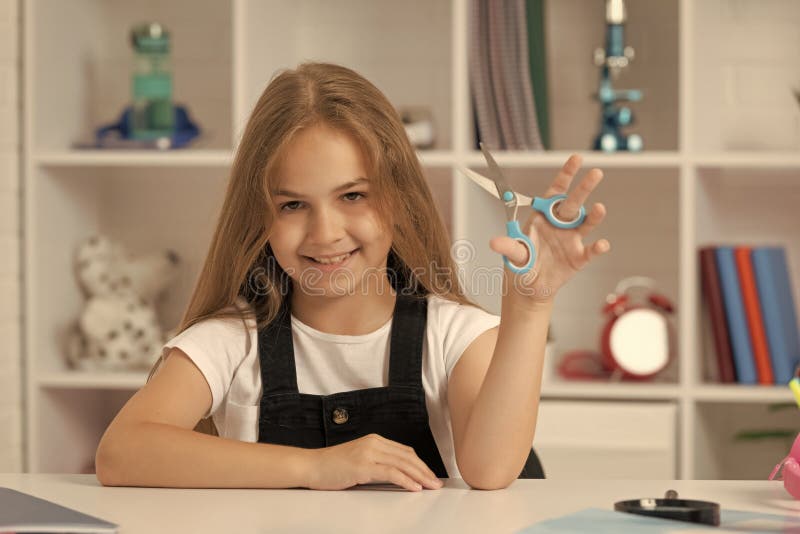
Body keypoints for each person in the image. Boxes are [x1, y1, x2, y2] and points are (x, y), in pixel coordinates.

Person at [95, 62, 610, 492]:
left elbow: (491, 471)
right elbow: (121, 454)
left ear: (398, 200)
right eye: (293, 204)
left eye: (353, 196)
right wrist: (317, 467)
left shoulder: (455, 337)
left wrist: (530, 306)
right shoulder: (231, 343)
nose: (325, 232)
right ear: (260, 219)